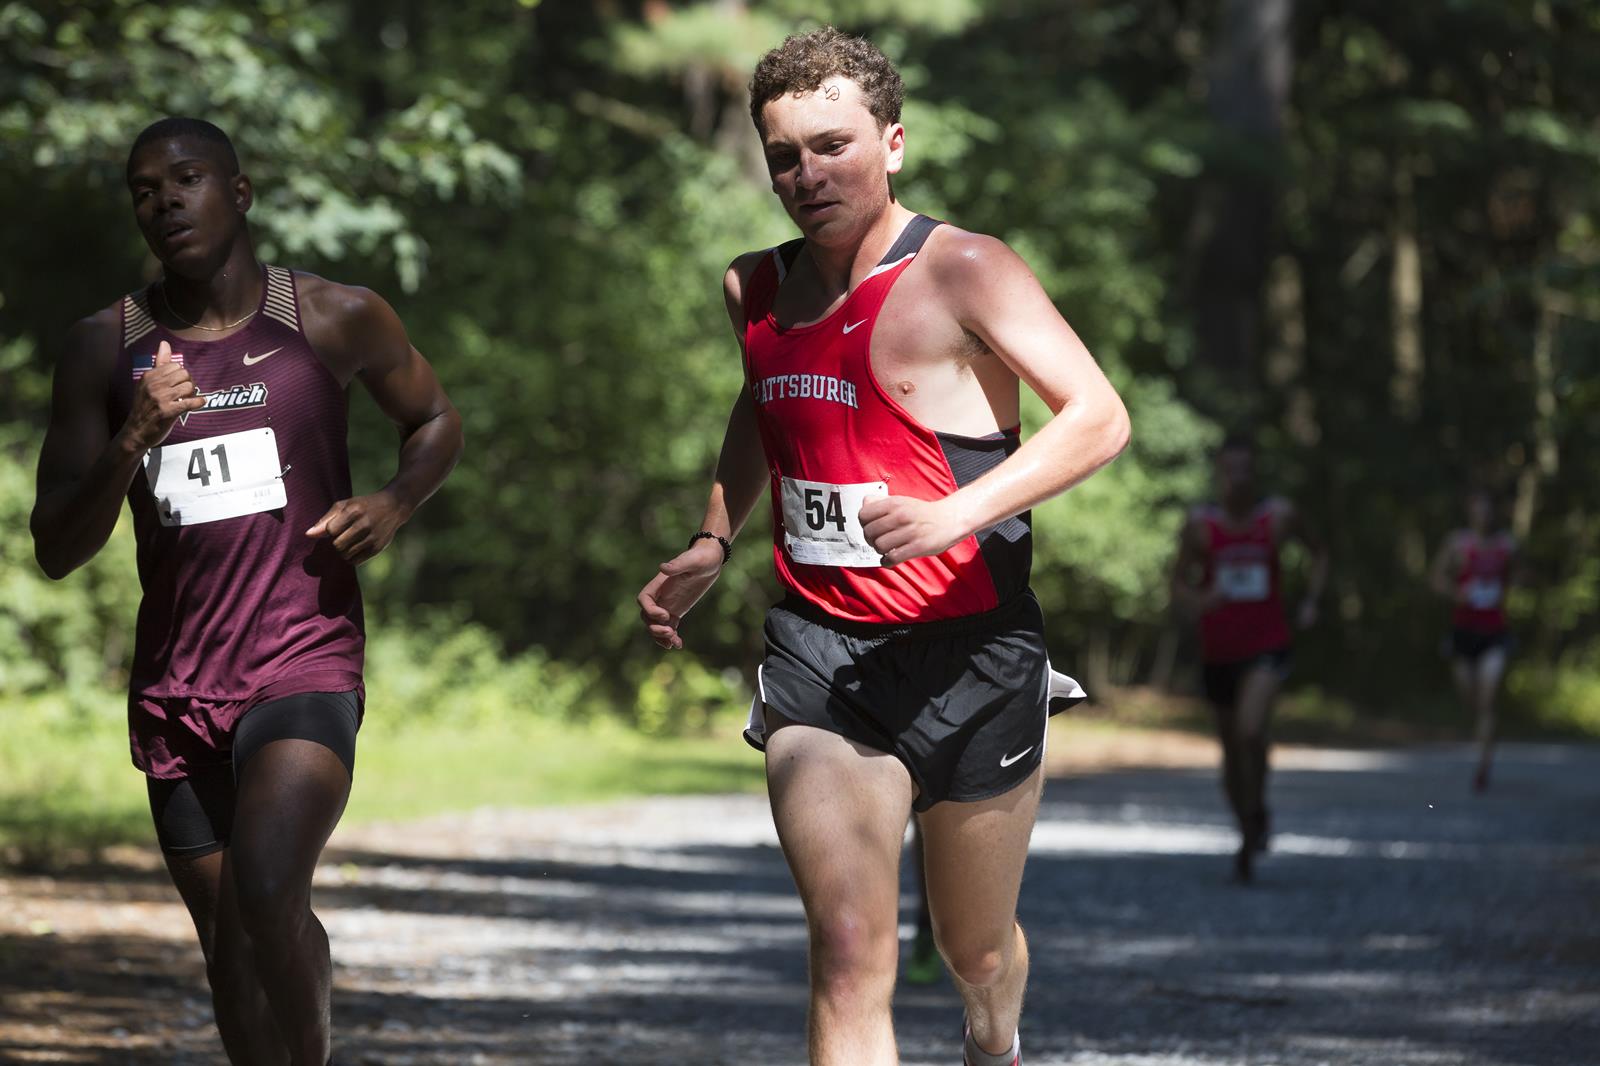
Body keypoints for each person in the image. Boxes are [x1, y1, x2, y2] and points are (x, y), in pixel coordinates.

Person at [636, 28, 1123, 1066]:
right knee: (850, 945)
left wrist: (955, 513)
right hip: (824, 657)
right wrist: (715, 532)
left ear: (891, 143)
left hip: (976, 653)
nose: (805, 175)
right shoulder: (752, 289)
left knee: (974, 950)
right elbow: (761, 401)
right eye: (783, 155)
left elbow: (1098, 417)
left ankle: (994, 1038)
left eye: (831, 144)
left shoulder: (967, 272)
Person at [31, 117, 462, 1066]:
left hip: (303, 658)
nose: (166, 200)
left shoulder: (334, 317)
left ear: (241, 190)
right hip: (177, 680)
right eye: (144, 189)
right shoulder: (103, 349)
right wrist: (132, 437)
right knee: (229, 951)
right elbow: (57, 546)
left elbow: (433, 418)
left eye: (187, 178)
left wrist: (393, 501)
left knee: (268, 888)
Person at [1170, 435, 1326, 884]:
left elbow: (1319, 554)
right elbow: (1178, 584)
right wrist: (1201, 598)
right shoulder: (1200, 525)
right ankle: (1246, 828)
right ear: (1219, 472)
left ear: (1255, 472)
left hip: (1267, 644)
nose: (1238, 478)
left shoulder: (1277, 517)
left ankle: (1256, 808)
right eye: (1230, 469)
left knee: (1251, 730)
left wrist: (1312, 601)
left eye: (1246, 469)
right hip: (1219, 649)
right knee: (1230, 749)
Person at [1429, 489, 1517, 793]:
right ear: (1470, 512)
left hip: (1495, 632)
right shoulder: (1457, 543)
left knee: (1487, 697)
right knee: (1472, 698)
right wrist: (1458, 593)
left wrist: (1508, 594)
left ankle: (1483, 767)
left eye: (1489, 509)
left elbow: (1520, 577)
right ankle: (1484, 732)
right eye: (1479, 509)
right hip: (1464, 632)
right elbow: (1436, 578)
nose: (1484, 515)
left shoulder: (1507, 545)